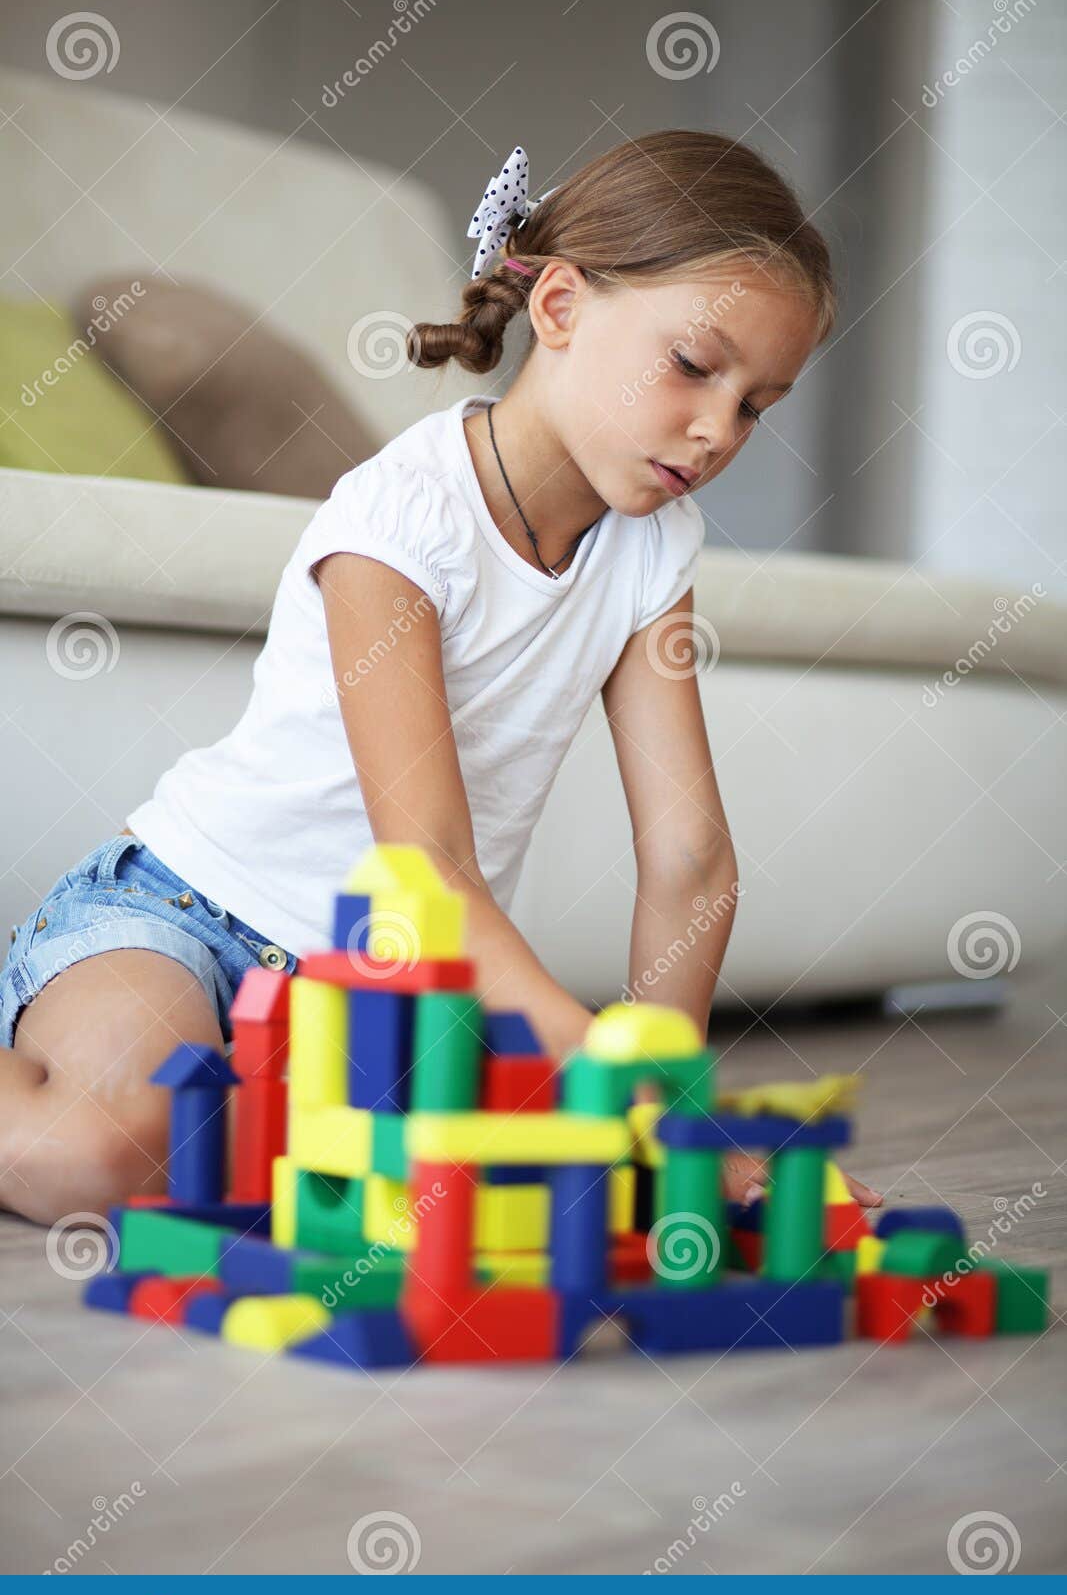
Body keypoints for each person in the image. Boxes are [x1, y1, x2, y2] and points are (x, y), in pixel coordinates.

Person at [0, 130, 881, 1225]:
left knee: (455, 1196)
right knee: (103, 1154)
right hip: (189, 914)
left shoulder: (654, 549)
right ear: (557, 309)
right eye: (694, 366)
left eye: (756, 403)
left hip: (388, 995)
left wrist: (668, 1121)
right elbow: (426, 862)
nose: (714, 430)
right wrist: (602, 1084)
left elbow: (691, 858)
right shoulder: (401, 515)